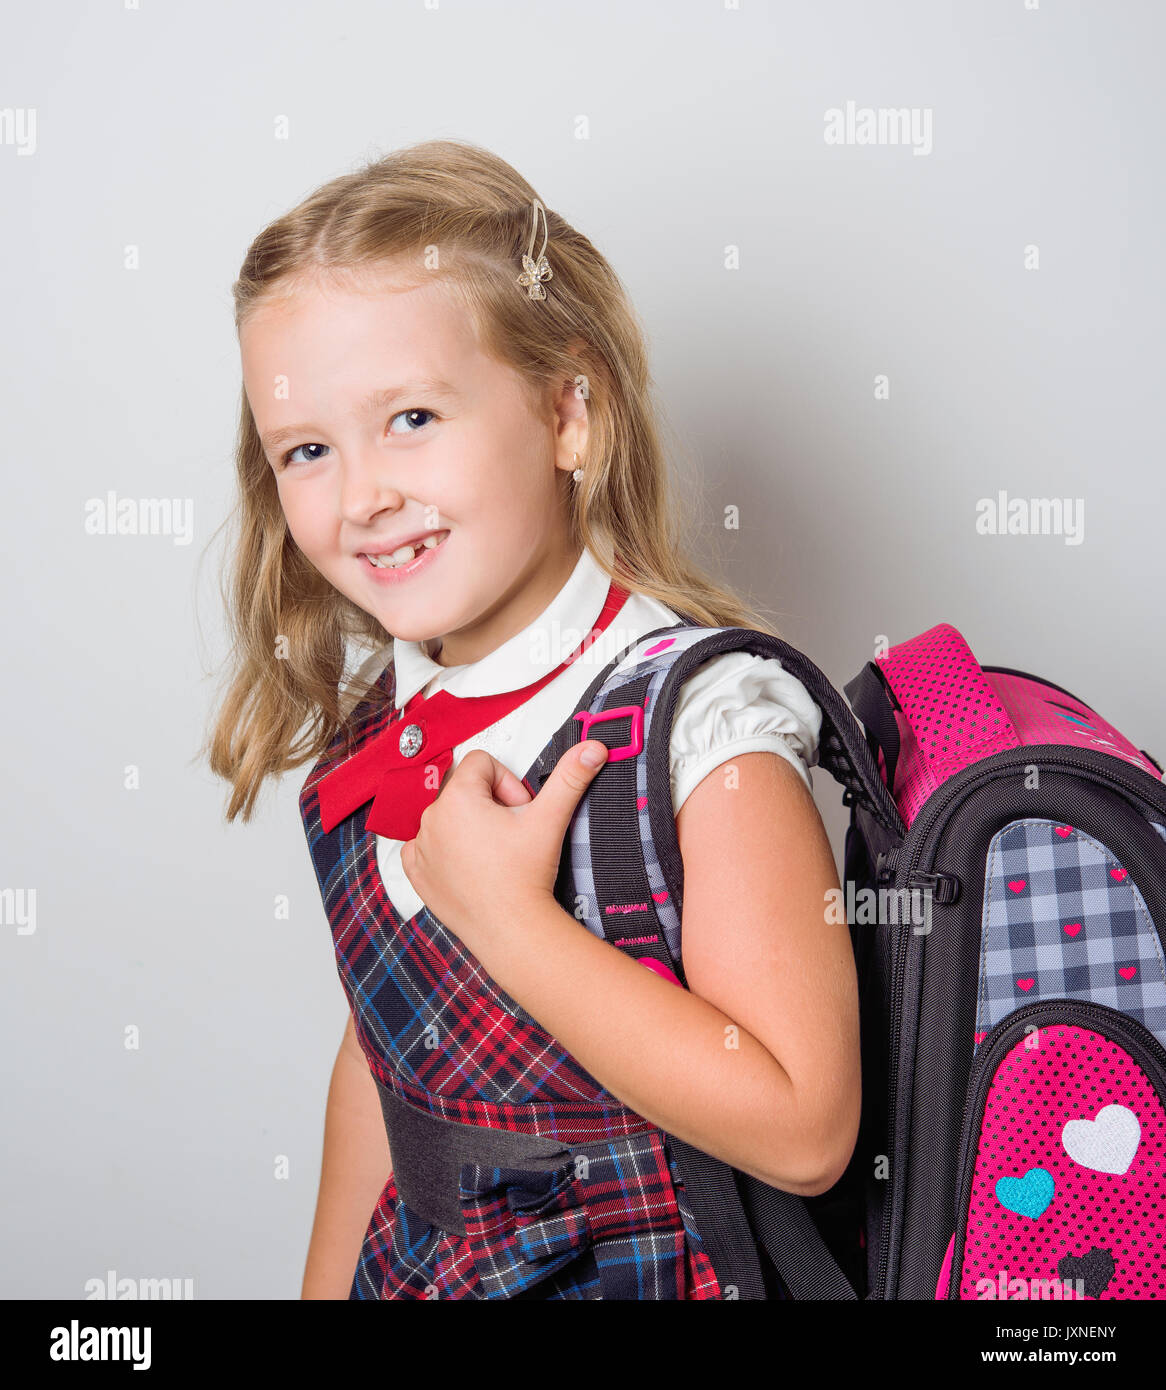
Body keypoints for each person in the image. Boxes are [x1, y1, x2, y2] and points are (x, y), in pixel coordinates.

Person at [205, 138, 860, 1300]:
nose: (361, 495)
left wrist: (508, 920)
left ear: (568, 413)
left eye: (411, 417)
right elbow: (388, 1059)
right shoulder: (380, 727)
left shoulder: (704, 734)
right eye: (307, 450)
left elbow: (804, 1127)